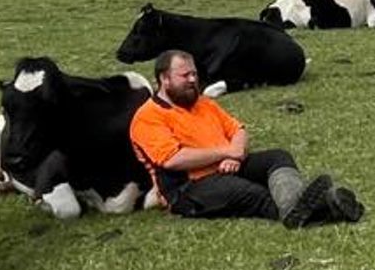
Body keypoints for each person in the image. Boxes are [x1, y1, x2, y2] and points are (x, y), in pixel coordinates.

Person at [129, 50, 362, 226]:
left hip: (226, 165)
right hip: (188, 188)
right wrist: (226, 152)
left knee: (277, 157)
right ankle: (326, 206)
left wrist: (237, 155)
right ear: (164, 79)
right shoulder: (148, 117)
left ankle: (295, 205)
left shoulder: (203, 103)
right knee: (250, 192)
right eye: (184, 75)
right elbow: (173, 160)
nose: (192, 80)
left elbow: (238, 129)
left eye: (194, 74)